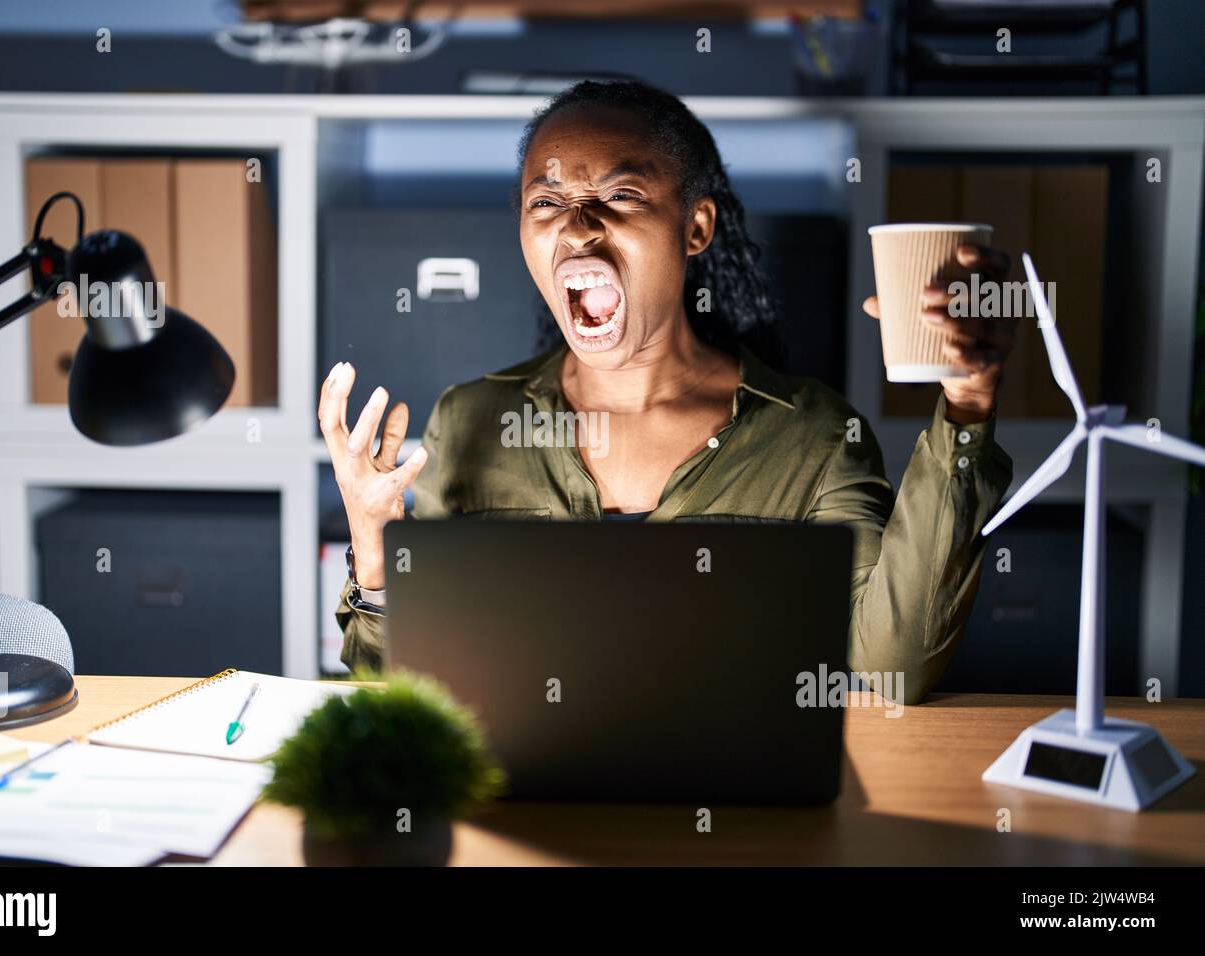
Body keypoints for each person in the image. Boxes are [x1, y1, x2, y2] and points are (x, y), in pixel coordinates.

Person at [319, 80, 1015, 703]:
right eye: (546, 201)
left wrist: (968, 407)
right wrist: (376, 546)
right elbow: (405, 691)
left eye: (620, 196)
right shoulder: (467, 420)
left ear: (696, 227)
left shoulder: (817, 437)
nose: (577, 224)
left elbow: (896, 663)